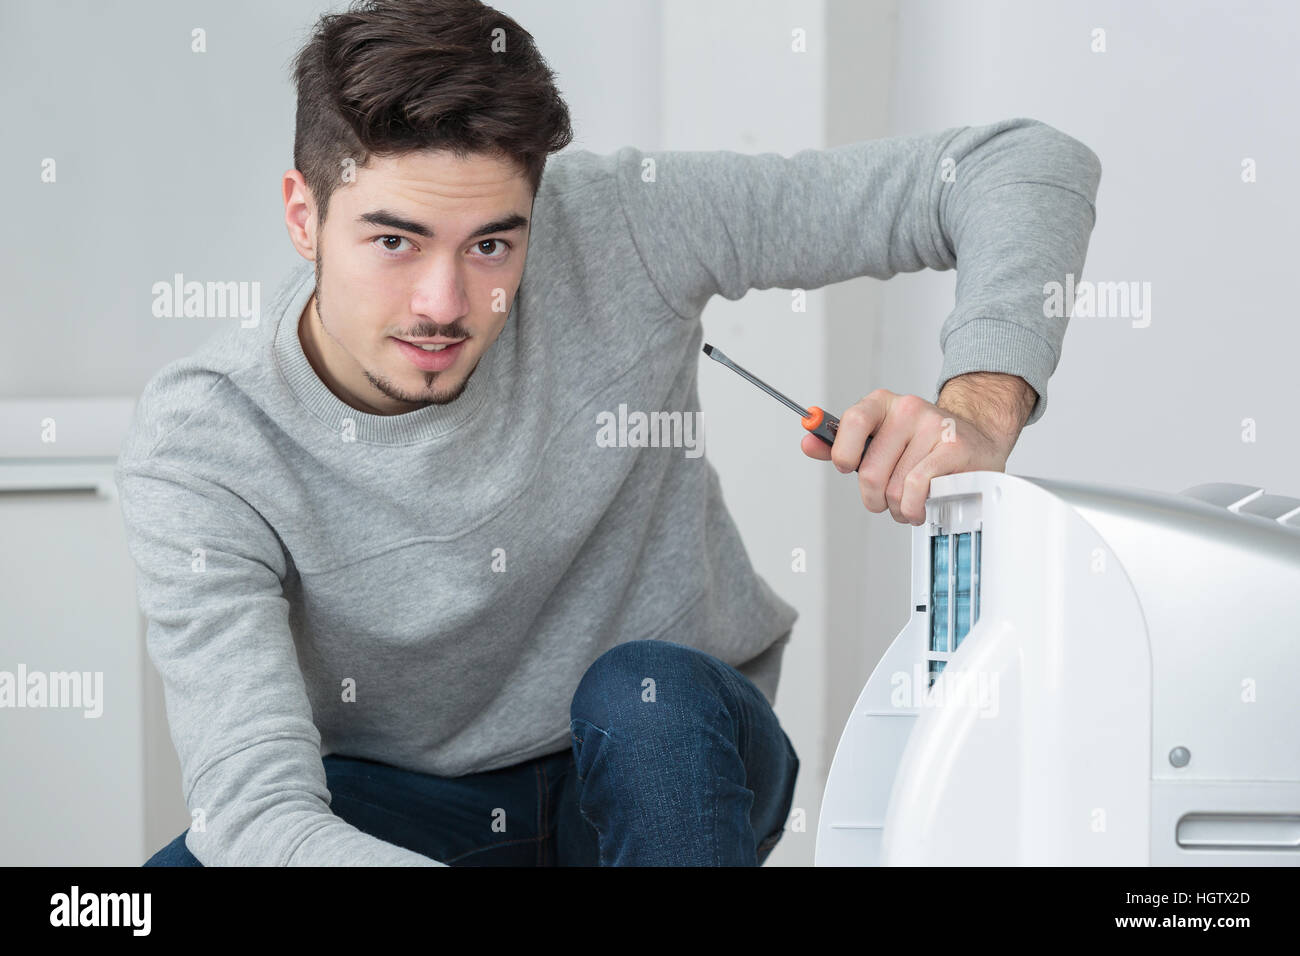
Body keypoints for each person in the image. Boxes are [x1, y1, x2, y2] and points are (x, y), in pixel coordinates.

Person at [118, 0, 1100, 866]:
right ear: (304, 213)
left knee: (645, 697)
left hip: (659, 757)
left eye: (493, 242)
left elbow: (1020, 163)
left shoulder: (619, 219)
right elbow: (250, 802)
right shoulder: (206, 437)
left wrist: (978, 406)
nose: (443, 302)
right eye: (393, 240)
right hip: (400, 804)